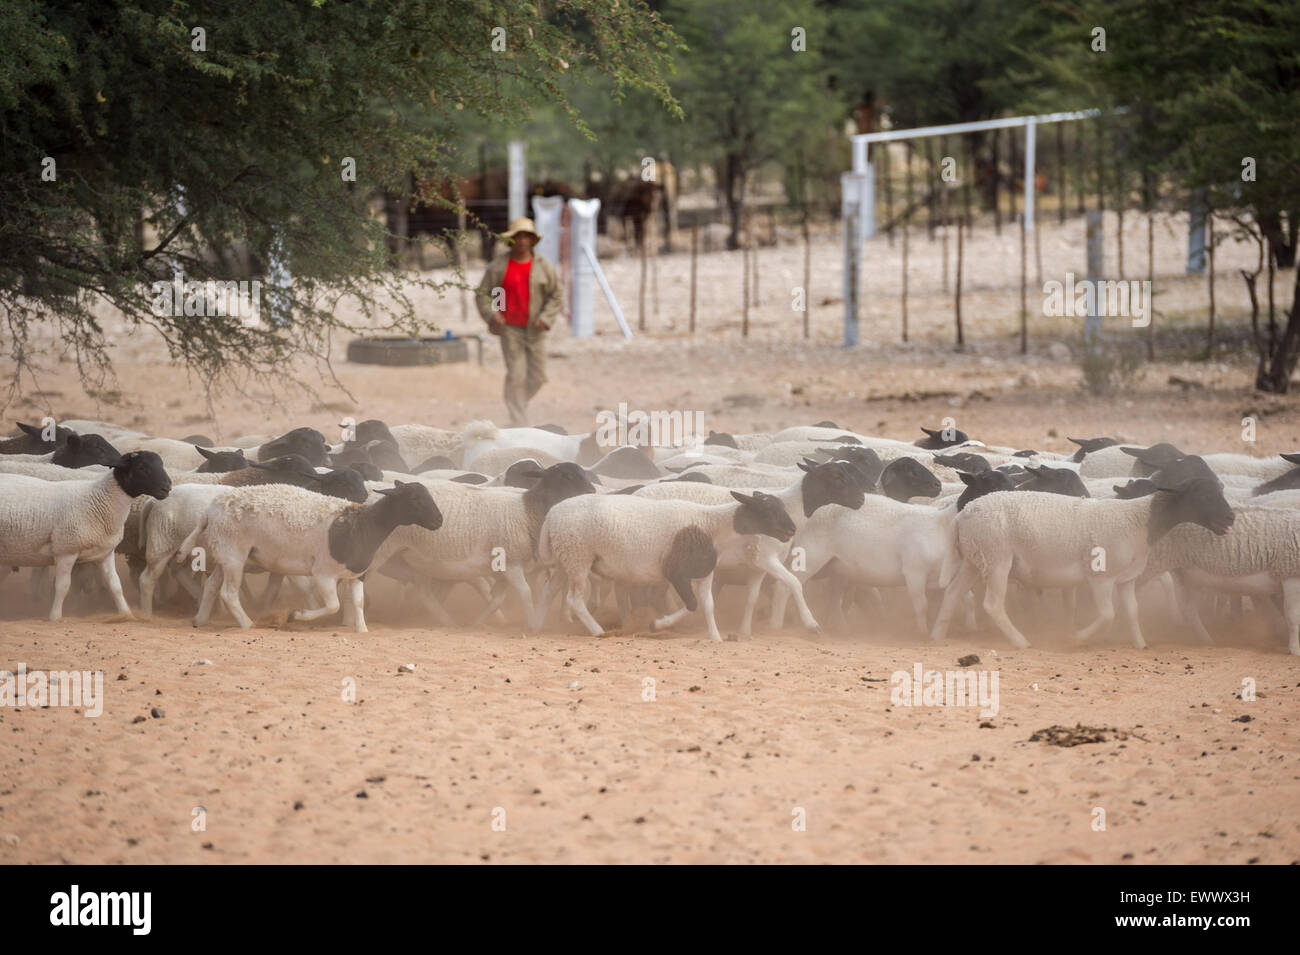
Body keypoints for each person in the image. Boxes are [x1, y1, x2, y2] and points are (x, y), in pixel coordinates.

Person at [474, 217, 561, 427]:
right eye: (518, 236)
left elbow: (556, 295)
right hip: (510, 329)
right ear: (511, 240)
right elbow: (486, 293)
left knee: (538, 376)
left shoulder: (544, 267)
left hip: (536, 329)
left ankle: (516, 403)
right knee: (516, 374)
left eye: (526, 236)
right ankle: (518, 421)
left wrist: (546, 317)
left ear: (532, 240)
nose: (522, 241)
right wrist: (494, 312)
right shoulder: (499, 267)